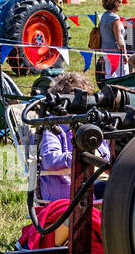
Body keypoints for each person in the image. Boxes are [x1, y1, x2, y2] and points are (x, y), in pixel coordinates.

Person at [37, 71, 112, 202]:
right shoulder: (51, 127)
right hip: (62, 189)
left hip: (89, 182)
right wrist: (82, 155)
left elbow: (105, 154)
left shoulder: (89, 124)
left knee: (127, 189)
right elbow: (49, 160)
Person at [97, 0, 129, 81]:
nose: (121, 4)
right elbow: (119, 39)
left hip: (105, 50)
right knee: (122, 75)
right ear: (114, 3)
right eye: (119, 2)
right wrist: (125, 54)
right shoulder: (115, 18)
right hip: (116, 52)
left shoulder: (103, 16)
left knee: (110, 74)